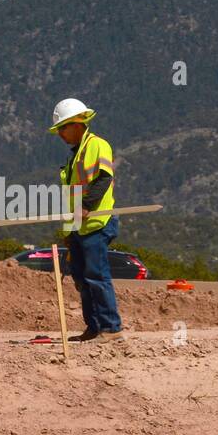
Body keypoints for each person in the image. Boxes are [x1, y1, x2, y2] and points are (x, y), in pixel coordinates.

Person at [48, 98, 122, 342]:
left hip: (96, 224)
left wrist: (87, 206)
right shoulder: (74, 158)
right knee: (81, 278)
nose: (60, 134)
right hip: (78, 226)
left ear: (78, 123)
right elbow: (70, 199)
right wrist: (68, 232)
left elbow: (103, 179)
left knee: (96, 275)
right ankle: (93, 327)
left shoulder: (97, 145)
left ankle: (111, 328)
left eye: (62, 128)